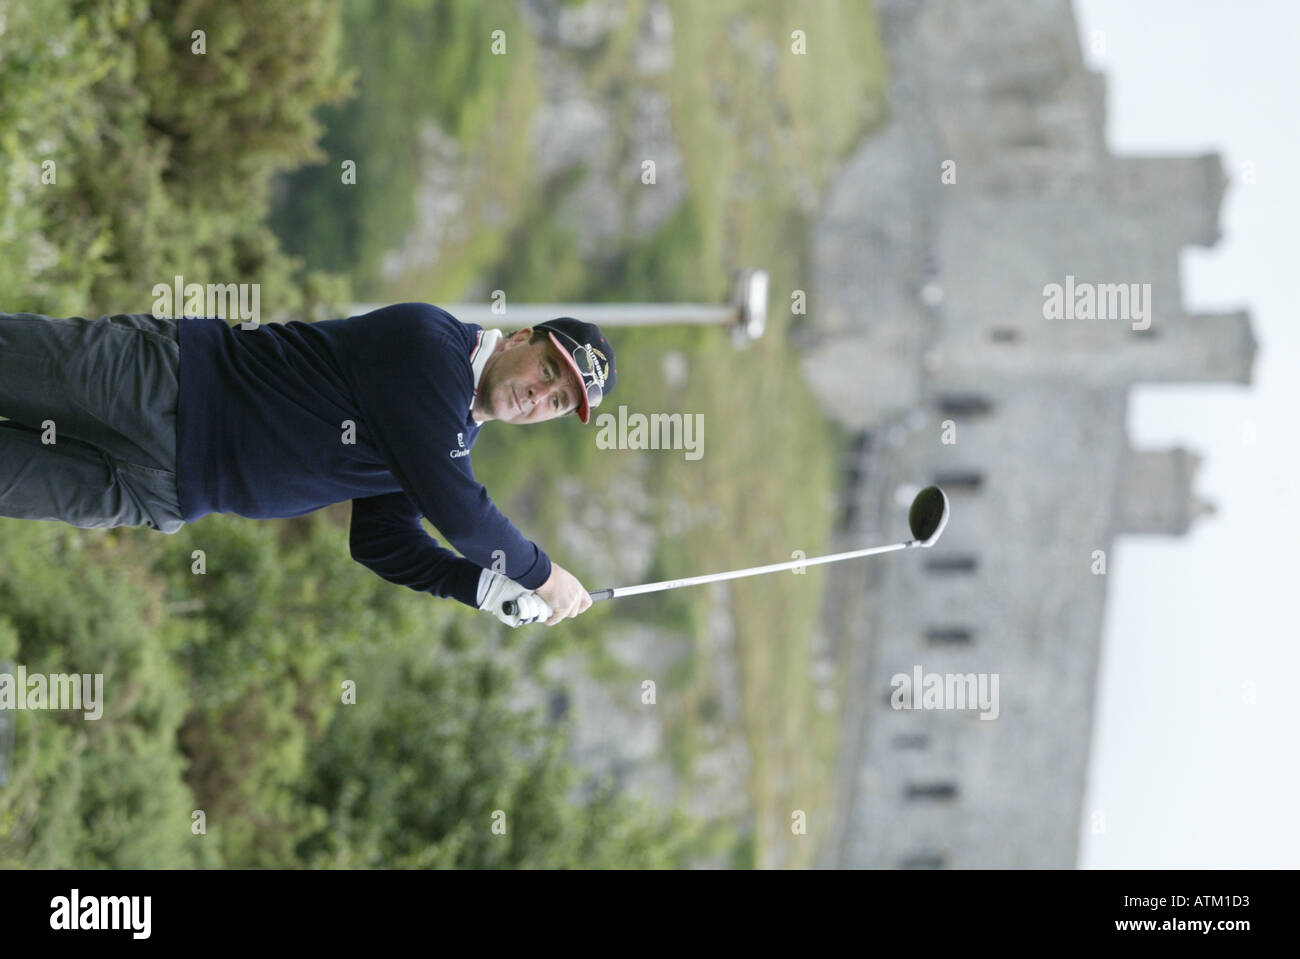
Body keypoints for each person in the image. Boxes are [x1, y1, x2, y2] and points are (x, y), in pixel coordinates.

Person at [0, 304, 617, 627]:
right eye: (547, 369)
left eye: (558, 401)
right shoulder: (433, 349)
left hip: (159, 492)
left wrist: (485, 588)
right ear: (520, 338)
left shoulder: (445, 439)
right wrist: (542, 574)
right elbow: (460, 512)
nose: (540, 394)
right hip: (157, 384)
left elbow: (384, 541)